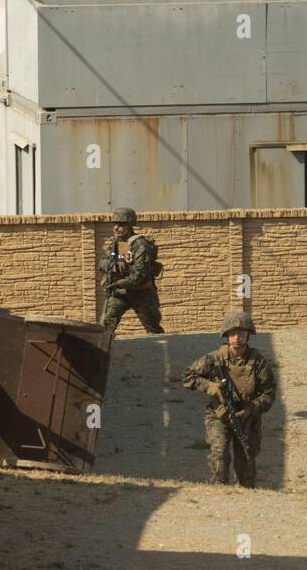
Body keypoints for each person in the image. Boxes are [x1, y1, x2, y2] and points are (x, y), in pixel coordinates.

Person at [182, 310, 276, 488]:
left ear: (249, 335)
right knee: (220, 454)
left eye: (241, 333)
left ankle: (246, 495)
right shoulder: (215, 358)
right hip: (220, 415)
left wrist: (252, 408)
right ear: (226, 336)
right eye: (233, 334)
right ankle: (219, 493)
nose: (237, 338)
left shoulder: (258, 362)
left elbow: (269, 393)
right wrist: (210, 387)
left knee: (247, 460)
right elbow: (188, 377)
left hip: (247, 418)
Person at [98, 207, 164, 335]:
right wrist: (111, 266)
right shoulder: (114, 243)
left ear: (130, 225)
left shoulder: (140, 244)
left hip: (142, 293)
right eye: (115, 224)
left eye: (121, 224)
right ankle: (101, 352)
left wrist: (118, 283)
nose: (116, 228)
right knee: (106, 326)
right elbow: (101, 262)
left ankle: (160, 352)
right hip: (120, 293)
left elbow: (139, 275)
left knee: (153, 329)